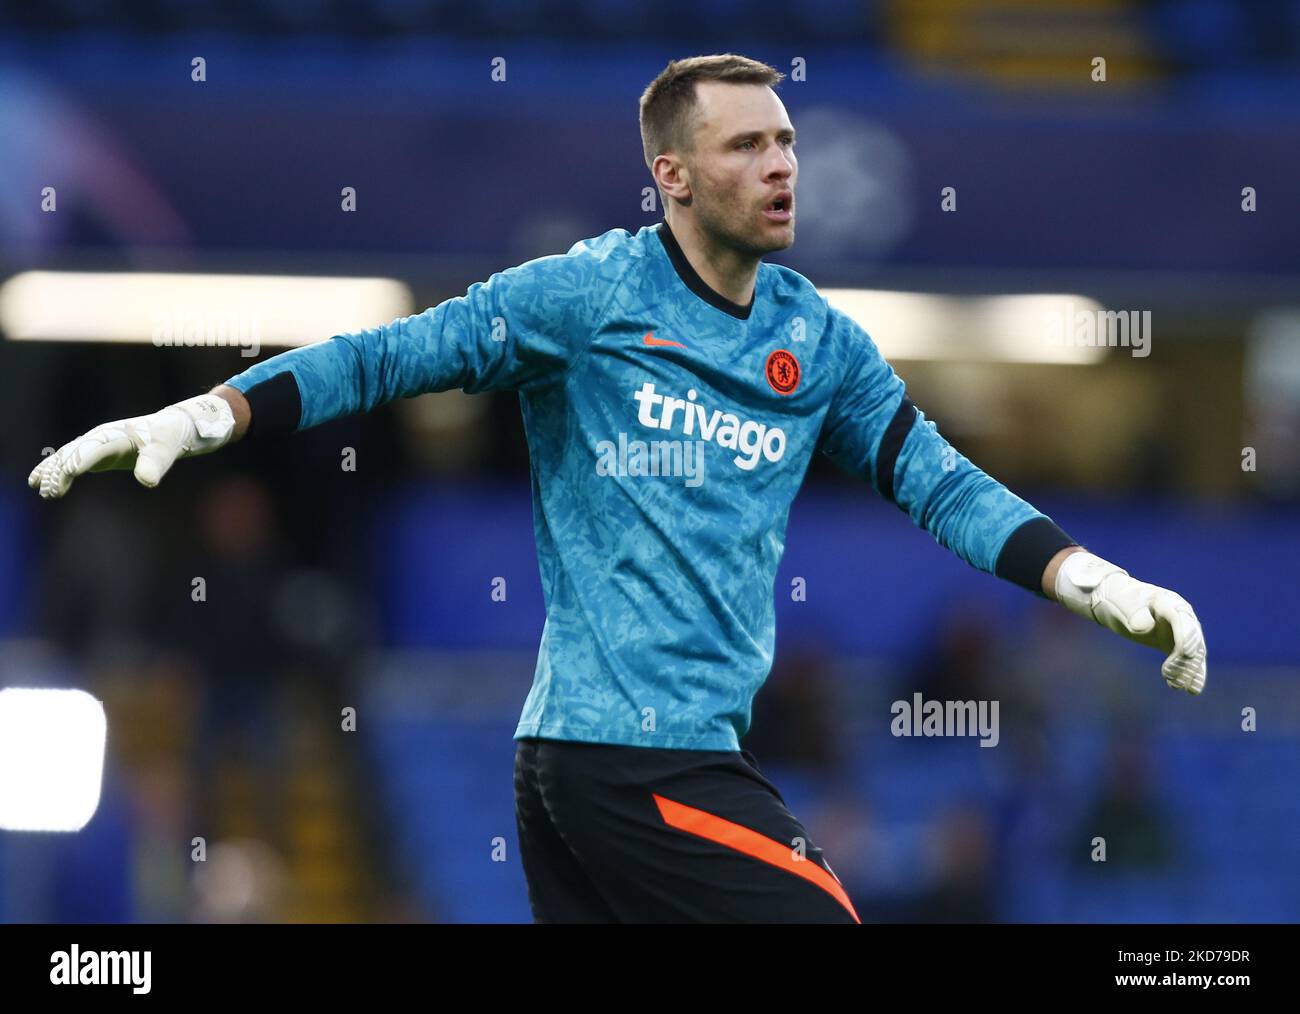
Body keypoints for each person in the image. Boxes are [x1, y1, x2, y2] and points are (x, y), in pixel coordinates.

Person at [27, 54, 1207, 924]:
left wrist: (1085, 577)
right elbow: (386, 354)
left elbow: (939, 483)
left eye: (788, 140)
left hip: (633, 768)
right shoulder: (585, 299)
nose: (783, 163)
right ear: (673, 176)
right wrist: (212, 411)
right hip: (625, 762)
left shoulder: (820, 343)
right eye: (748, 146)